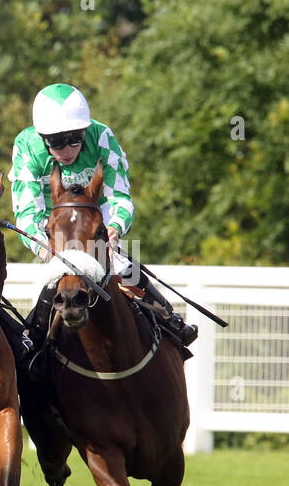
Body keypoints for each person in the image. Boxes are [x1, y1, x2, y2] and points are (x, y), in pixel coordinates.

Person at [10, 82, 196, 346]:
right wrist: (47, 250)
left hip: (94, 217)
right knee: (52, 276)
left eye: (75, 138)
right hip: (55, 226)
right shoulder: (26, 145)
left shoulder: (101, 136)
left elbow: (119, 196)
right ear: (42, 138)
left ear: (85, 131)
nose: (67, 150)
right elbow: (27, 213)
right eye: (56, 142)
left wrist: (115, 229)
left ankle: (170, 317)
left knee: (119, 261)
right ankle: (33, 343)